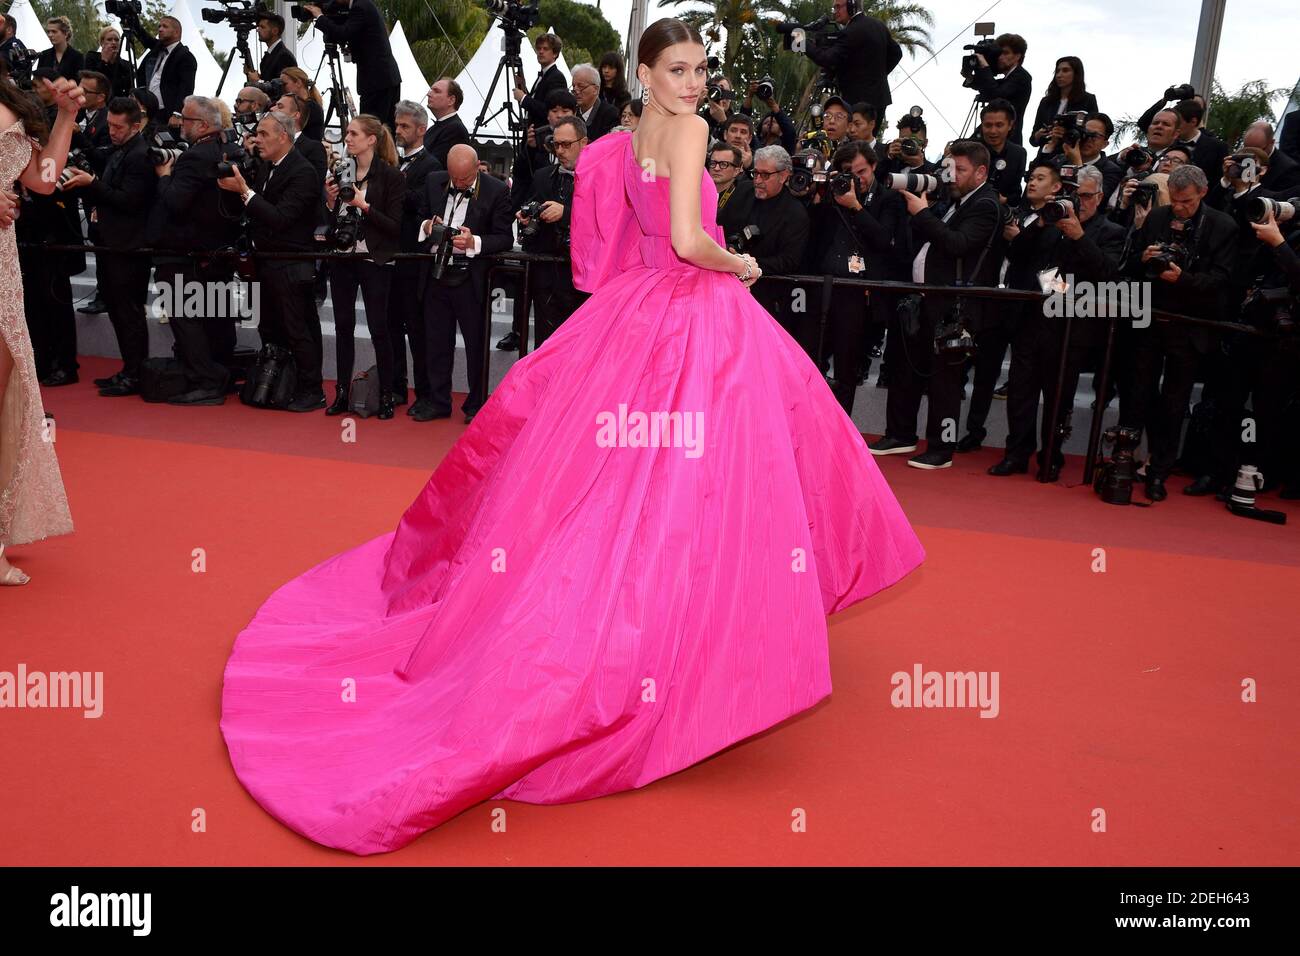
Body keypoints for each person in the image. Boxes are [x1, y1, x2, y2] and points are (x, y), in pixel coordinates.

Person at [219, 17, 924, 854]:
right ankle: (685, 653)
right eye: (678, 68)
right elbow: (694, 240)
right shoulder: (691, 131)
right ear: (646, 70)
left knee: (627, 491)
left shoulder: (623, 142)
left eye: (701, 69)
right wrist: (741, 265)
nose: (695, 84)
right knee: (709, 484)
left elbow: (614, 251)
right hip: (695, 317)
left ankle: (651, 637)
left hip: (635, 317)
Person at [0, 74, 86, 586]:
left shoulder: (10, 97)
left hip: (2, 266)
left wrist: (66, 117)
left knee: (6, 399)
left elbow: (43, 179)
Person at [323, 115, 406, 418]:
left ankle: (386, 394)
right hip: (343, 257)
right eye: (347, 133)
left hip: (375, 260)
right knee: (343, 327)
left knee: (378, 329)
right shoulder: (342, 170)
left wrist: (365, 206)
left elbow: (395, 227)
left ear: (372, 139)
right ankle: (342, 393)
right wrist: (331, 203)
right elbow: (333, 221)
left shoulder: (391, 176)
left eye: (354, 133)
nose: (348, 138)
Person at [302, 0, 401, 130]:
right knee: (386, 128)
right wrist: (353, 50)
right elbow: (366, 38)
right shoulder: (364, 5)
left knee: (370, 127)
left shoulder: (360, 7)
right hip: (384, 77)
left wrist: (320, 17)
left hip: (377, 80)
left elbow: (343, 33)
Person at [803, 0, 900, 123]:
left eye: (838, 7)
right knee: (869, 141)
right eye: (834, 8)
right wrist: (878, 75)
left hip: (857, 102)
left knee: (855, 141)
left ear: (851, 6)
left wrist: (802, 42)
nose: (835, 12)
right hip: (880, 99)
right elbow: (897, 53)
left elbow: (827, 59)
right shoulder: (878, 25)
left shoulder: (851, 31)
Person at [1028, 57, 1098, 156]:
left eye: (1065, 70)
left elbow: (1092, 131)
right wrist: (1038, 135)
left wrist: (1067, 133)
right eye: (1057, 71)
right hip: (1046, 155)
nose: (1059, 75)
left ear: (1076, 74)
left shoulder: (1088, 100)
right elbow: (1033, 140)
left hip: (1072, 155)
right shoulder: (1046, 102)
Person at [135, 16, 197, 127]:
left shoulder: (185, 56)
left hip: (166, 113)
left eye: (165, 26)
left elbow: (186, 88)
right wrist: (134, 24)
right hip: (147, 109)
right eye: (159, 26)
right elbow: (146, 39)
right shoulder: (157, 49)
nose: (160, 29)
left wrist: (177, 114)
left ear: (177, 32)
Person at [246, 12, 296, 86]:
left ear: (275, 31)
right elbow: (269, 79)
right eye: (258, 26)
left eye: (262, 27)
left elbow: (283, 88)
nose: (258, 30)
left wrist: (257, 81)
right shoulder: (270, 54)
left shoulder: (284, 56)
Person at [84, 25, 133, 99]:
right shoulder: (92, 58)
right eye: (109, 39)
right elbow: (91, 81)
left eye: (116, 40)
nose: (113, 42)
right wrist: (104, 61)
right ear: (102, 42)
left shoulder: (126, 65)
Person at [279, 68, 324, 140]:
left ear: (298, 83)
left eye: (285, 84)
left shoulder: (310, 107)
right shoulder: (307, 105)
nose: (282, 88)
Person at [37, 17, 84, 82]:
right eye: (48, 32)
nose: (50, 35)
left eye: (54, 31)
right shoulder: (43, 55)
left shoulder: (77, 57)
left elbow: (79, 82)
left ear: (65, 34)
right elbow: (38, 80)